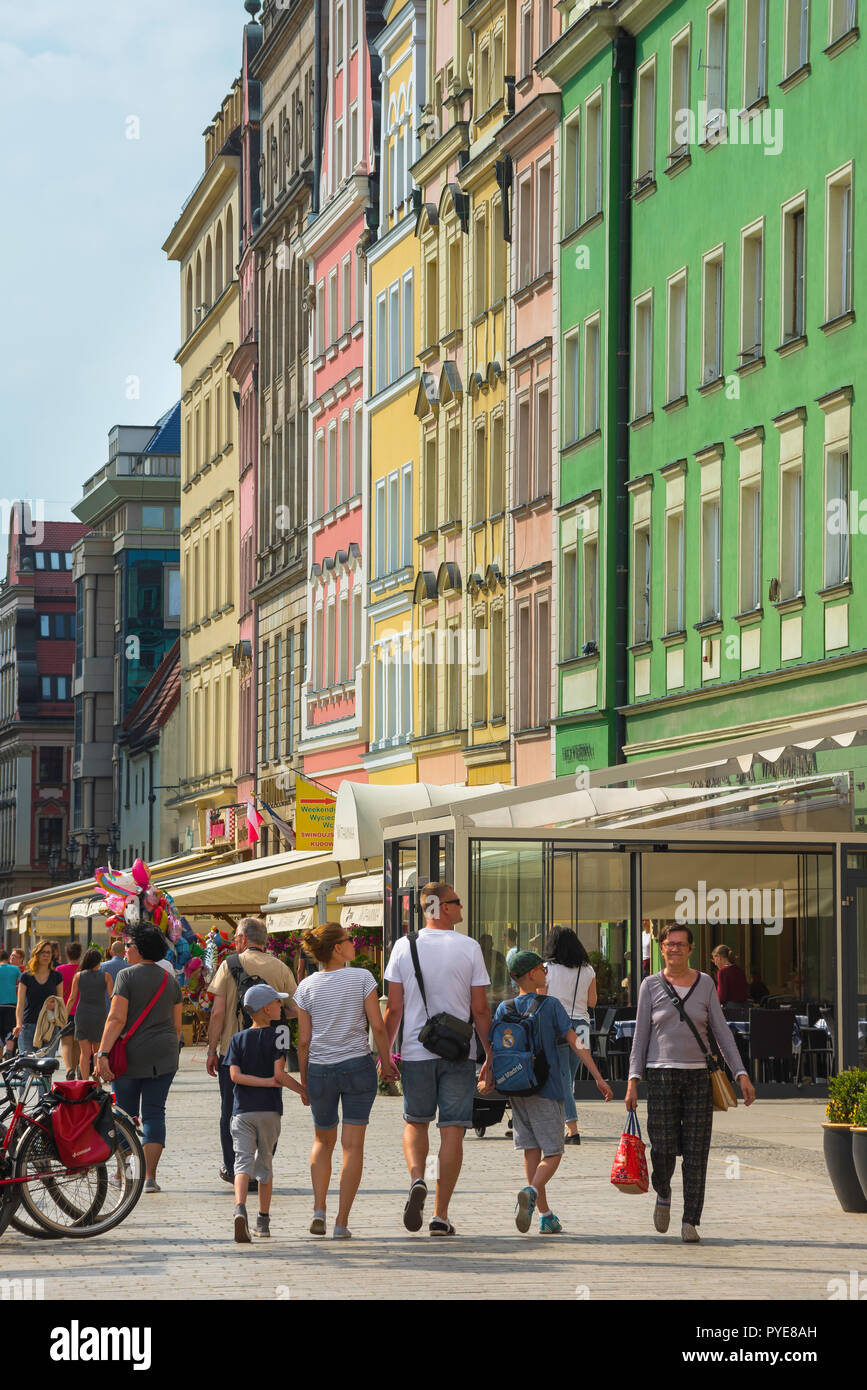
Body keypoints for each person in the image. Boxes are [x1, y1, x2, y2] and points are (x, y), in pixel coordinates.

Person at [626, 924, 756, 1243]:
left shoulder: (706, 983)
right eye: (669, 944)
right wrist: (632, 1080)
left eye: (681, 944)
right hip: (661, 1073)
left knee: (697, 1151)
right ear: (661, 949)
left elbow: (722, 1032)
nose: (674, 949)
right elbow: (641, 1036)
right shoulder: (650, 986)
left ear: (691, 949)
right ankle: (664, 1191)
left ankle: (690, 1220)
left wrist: (740, 1073)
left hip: (700, 1074)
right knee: (663, 1146)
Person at [383, 881, 492, 1237]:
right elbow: (480, 1009)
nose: (461, 908)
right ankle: (440, 1214)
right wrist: (490, 1054)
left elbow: (394, 1008)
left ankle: (419, 1177)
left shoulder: (403, 946)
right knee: (452, 1132)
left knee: (417, 1122)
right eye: (456, 902)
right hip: (459, 1053)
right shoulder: (470, 947)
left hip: (416, 1051)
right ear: (440, 906)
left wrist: (384, 1054)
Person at [480, 949, 612, 1234]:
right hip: (547, 1087)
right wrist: (598, 1077)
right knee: (553, 1152)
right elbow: (576, 1042)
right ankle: (531, 1190)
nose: (546, 971)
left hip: (516, 1087)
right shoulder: (550, 1005)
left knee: (531, 1150)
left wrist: (488, 1072)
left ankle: (545, 1215)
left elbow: (495, 1046)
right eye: (542, 968)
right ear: (531, 974)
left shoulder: (505, 1007)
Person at [294, 923, 397, 1239]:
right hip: (356, 1066)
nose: (355, 944)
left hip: (321, 1069)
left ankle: (319, 1209)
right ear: (338, 948)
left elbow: (304, 1041)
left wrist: (305, 1079)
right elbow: (377, 1027)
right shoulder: (362, 978)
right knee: (352, 1147)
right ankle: (341, 1222)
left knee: (322, 1142)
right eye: (350, 940)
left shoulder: (306, 988)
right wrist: (386, 1061)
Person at [206, 916, 298, 1187]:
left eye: (236, 938)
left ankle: (234, 1169)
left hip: (233, 1050)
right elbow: (294, 1008)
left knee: (231, 1111)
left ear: (244, 939)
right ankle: (261, 1168)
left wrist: (212, 1049)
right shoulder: (280, 968)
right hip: (271, 1051)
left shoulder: (228, 965)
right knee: (270, 1107)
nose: (235, 943)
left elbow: (218, 1013)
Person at [95, 926, 182, 1194]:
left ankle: (125, 1173)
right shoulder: (171, 980)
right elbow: (177, 1027)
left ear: (140, 949)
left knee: (124, 1114)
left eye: (130, 945)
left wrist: (102, 1053)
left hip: (130, 1055)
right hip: (164, 1054)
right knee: (155, 1113)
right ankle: (150, 1178)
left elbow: (117, 1018)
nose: (126, 949)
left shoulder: (126, 976)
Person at [225, 984, 308, 1243]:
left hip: (242, 1112)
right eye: (277, 1003)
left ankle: (240, 1208)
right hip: (269, 1112)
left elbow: (234, 1076)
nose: (281, 1007)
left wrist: (260, 1082)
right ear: (265, 1009)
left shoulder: (237, 1039)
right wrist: (304, 1091)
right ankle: (263, 1220)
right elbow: (279, 1075)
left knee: (242, 1163)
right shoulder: (279, 1034)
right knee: (265, 1164)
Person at [542, 926, 597, 1145]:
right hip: (582, 1025)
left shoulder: (547, 969)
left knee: (563, 1079)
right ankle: (562, 1123)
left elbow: (541, 998)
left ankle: (572, 1129)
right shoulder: (588, 970)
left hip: (558, 1026)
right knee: (569, 1078)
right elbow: (592, 1002)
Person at [68, 948, 112, 1079]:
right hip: (99, 1014)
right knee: (97, 1051)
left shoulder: (78, 976)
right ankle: (96, 1080)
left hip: (82, 1015)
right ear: (99, 961)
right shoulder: (106, 976)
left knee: (84, 1052)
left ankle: (85, 1082)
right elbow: (112, 996)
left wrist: (63, 1015)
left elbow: (72, 998)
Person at [13, 940, 63, 1055]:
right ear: (37, 954)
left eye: (49, 952)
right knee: (27, 1066)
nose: (46, 955)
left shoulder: (57, 976)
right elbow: (20, 1004)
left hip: (50, 1027)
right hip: (28, 1025)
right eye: (43, 952)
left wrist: (55, 1006)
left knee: (47, 1066)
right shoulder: (26, 977)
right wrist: (18, 1024)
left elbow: (60, 1002)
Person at [57, 941, 82, 1078]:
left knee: (66, 1042)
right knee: (77, 1043)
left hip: (65, 1010)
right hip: (81, 1011)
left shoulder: (60, 970)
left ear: (67, 954)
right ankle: (76, 1065)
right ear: (80, 954)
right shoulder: (83, 970)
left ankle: (68, 1069)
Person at [0, 948, 21, 1049]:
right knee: (10, 1031)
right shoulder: (15, 969)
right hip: (11, 1004)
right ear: (8, 958)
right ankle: (9, 1053)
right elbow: (21, 983)